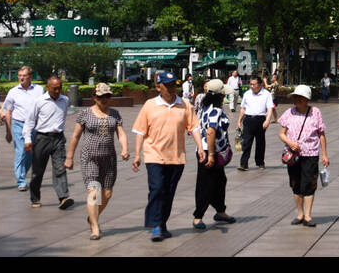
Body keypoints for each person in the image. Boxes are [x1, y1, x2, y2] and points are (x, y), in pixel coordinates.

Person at [131, 70, 193, 241]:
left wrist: (201, 149)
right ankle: (156, 225)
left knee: (168, 192)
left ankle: (162, 224)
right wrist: (137, 154)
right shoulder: (149, 105)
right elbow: (139, 132)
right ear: (159, 87)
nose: (172, 88)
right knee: (157, 188)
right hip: (153, 154)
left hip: (176, 156)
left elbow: (193, 127)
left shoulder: (185, 104)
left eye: (174, 85)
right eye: (168, 85)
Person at [64, 82, 128, 240]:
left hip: (109, 158)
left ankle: (92, 216)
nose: (104, 99)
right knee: (94, 191)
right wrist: (69, 157)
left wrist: (125, 148)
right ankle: (94, 226)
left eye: (107, 96)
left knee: (107, 193)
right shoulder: (85, 113)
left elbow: (121, 133)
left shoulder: (115, 114)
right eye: (101, 97)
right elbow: (76, 136)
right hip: (90, 157)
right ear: (94, 97)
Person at [191, 79, 237, 231]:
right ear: (220, 95)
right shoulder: (214, 111)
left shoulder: (207, 108)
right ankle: (198, 217)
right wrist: (210, 154)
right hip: (209, 151)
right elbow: (210, 132)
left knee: (220, 181)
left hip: (211, 151)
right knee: (206, 184)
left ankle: (220, 211)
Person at [279, 85, 328, 226]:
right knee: (296, 184)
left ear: (306, 99)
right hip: (293, 155)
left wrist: (324, 154)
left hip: (311, 154)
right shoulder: (289, 113)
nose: (297, 101)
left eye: (300, 98)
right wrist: (290, 142)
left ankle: (308, 215)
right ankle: (300, 213)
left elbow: (321, 134)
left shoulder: (315, 112)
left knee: (309, 183)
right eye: (295, 98)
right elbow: (281, 133)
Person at [25, 76, 73, 210]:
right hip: (42, 138)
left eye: (60, 88)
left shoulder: (65, 100)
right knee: (37, 171)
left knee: (60, 168)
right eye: (55, 88)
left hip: (58, 138)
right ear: (48, 87)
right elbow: (29, 121)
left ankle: (63, 197)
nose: (58, 91)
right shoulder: (39, 101)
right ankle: (35, 197)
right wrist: (28, 139)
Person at [1, 64, 41, 191]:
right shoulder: (13, 92)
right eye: (19, 76)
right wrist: (8, 130)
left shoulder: (39, 90)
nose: (21, 78)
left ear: (30, 76)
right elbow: (8, 111)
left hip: (34, 125)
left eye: (24, 76)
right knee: (21, 152)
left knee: (30, 152)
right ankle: (21, 181)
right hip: (18, 124)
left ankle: (22, 173)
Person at [237, 74, 277, 170]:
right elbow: (243, 108)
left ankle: (260, 162)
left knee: (260, 142)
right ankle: (244, 164)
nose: (251, 86)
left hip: (260, 120)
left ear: (260, 85)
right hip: (248, 120)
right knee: (246, 142)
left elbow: (270, 108)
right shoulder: (247, 94)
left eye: (253, 84)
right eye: (250, 84)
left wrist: (267, 120)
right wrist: (239, 121)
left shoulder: (266, 94)